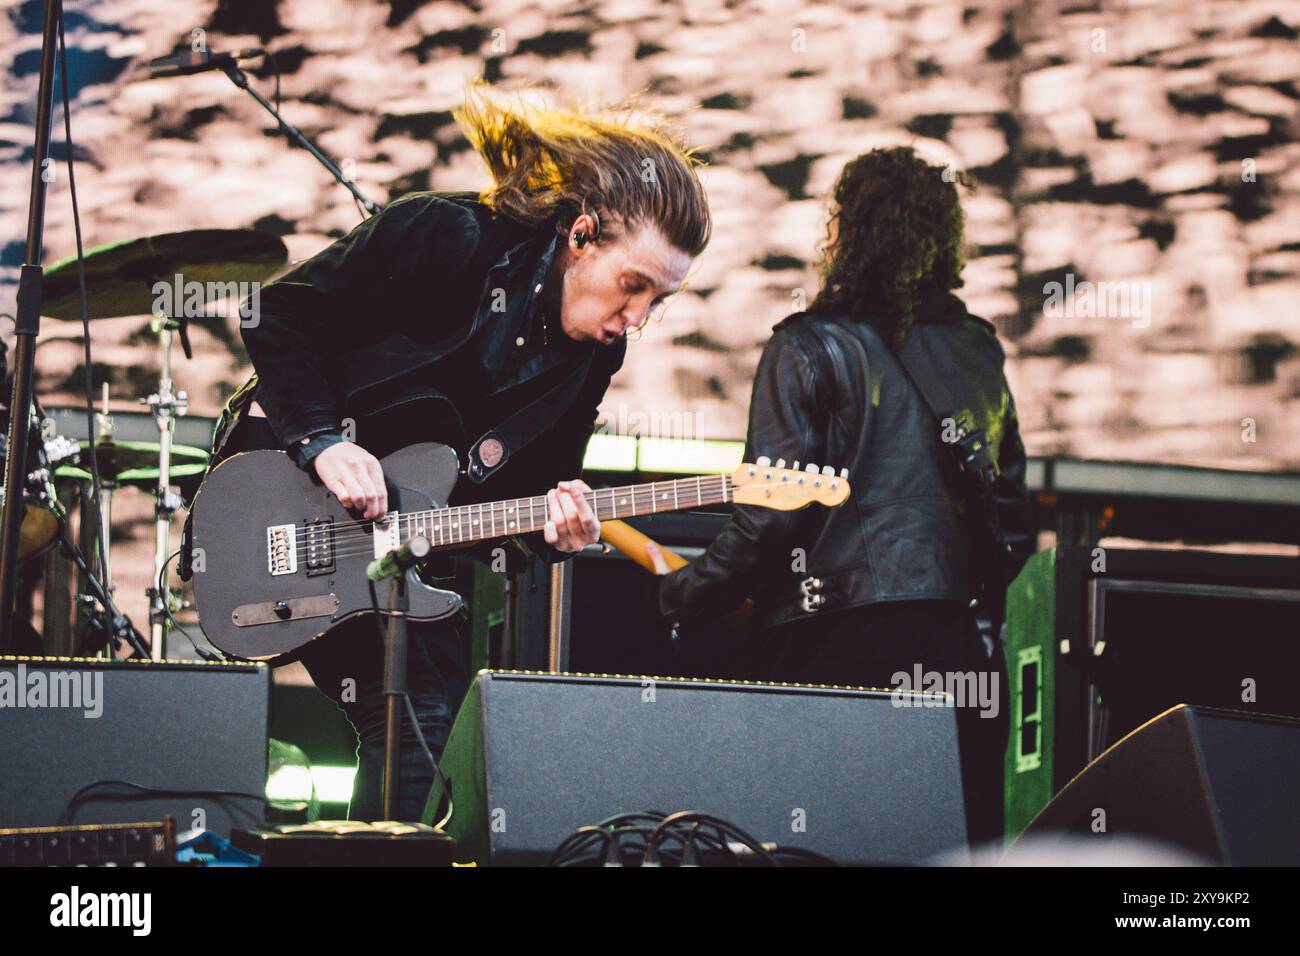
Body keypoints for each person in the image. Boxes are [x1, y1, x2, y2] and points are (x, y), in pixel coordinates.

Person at [194, 88, 711, 821]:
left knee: (449, 749)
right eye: (634, 286)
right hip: (285, 495)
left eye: (659, 301)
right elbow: (277, 312)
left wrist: (555, 530)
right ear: (583, 234)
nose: (638, 318)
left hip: (400, 559)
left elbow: (526, 492)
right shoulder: (446, 236)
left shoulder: (592, 358)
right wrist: (323, 443)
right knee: (416, 730)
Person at [645, 147, 1032, 846]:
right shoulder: (979, 352)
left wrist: (683, 593)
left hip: (830, 650)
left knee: (811, 850)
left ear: (845, 232)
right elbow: (1013, 525)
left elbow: (769, 518)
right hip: (956, 654)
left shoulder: (807, 347)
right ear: (946, 237)